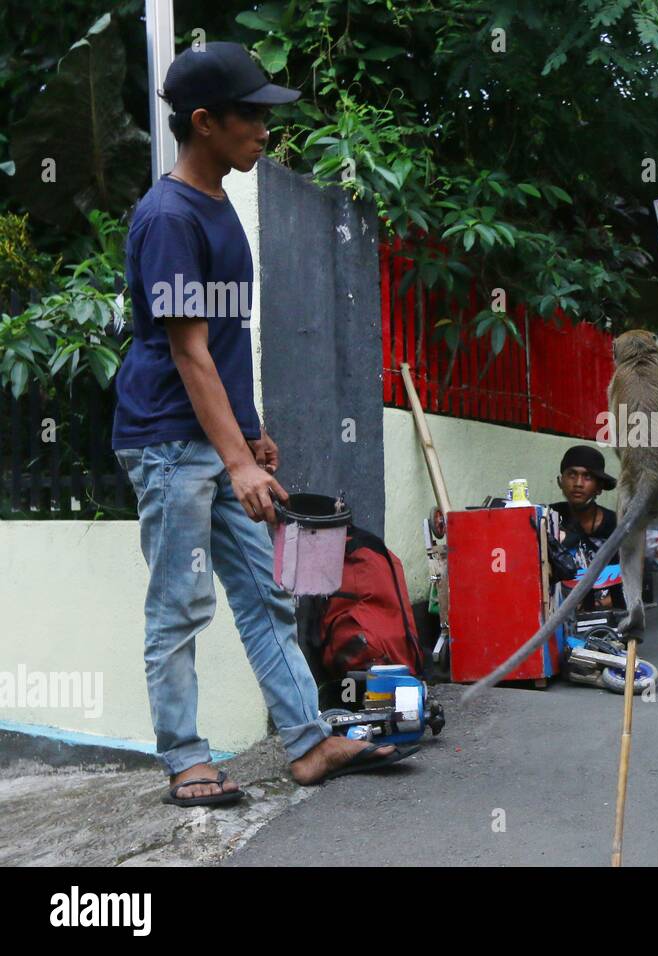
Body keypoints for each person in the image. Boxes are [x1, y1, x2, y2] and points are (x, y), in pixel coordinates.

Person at [111, 43, 413, 807]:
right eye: (250, 115)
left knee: (267, 593)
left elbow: (223, 338)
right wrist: (235, 459)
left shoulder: (217, 205)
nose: (265, 129)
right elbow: (186, 352)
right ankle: (185, 761)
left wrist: (251, 434)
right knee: (180, 605)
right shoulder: (170, 216)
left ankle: (308, 745)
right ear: (204, 122)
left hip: (215, 440)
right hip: (169, 445)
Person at [545, 445, 624, 611]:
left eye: (587, 477)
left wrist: (600, 603)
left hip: (610, 617)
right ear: (561, 481)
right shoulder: (548, 519)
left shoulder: (616, 525)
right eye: (571, 475)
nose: (578, 484)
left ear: (599, 487)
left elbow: (635, 576)